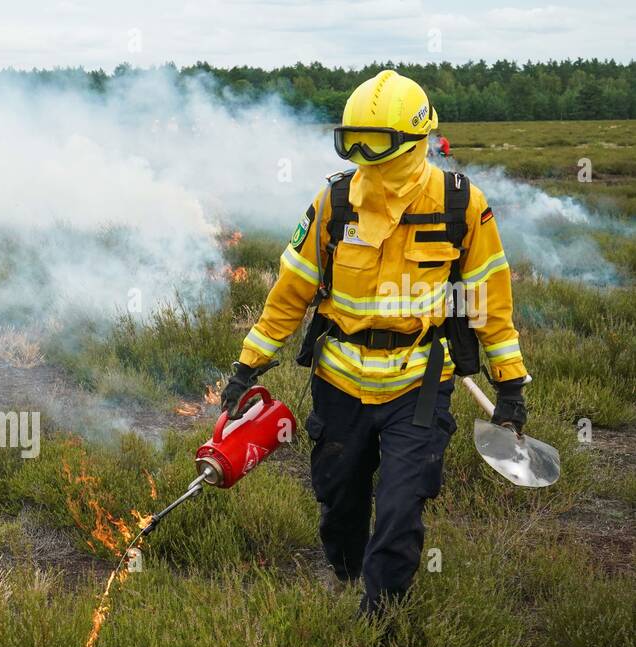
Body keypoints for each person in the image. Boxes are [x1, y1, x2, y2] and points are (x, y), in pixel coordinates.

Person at [220, 69, 528, 617]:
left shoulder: (461, 206)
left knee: (400, 506)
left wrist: (510, 387)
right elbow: (290, 293)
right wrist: (248, 366)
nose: (363, 155)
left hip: (418, 384)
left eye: (376, 144)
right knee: (340, 502)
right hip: (338, 381)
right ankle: (344, 572)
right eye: (350, 142)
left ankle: (378, 619)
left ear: (416, 140)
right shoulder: (334, 204)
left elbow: (489, 304)